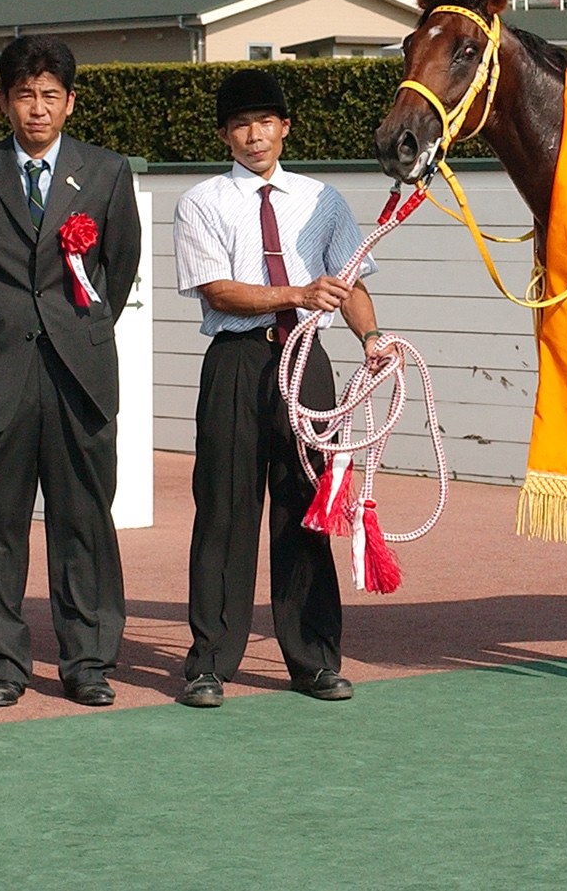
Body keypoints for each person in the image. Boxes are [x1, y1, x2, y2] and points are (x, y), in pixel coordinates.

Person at [170, 68, 395, 708]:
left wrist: (372, 339)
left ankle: (314, 660)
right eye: (240, 125)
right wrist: (296, 292)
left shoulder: (323, 199)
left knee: (308, 507)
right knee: (224, 511)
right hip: (237, 364)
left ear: (285, 127)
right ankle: (209, 663)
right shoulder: (202, 202)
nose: (253, 135)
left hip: (309, 362)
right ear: (225, 135)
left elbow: (348, 281)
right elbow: (217, 289)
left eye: (265, 122)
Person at [0, 35, 141, 709]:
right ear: (3, 101)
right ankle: (2, 661)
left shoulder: (107, 173)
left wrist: (72, 328)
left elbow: (119, 267)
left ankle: (86, 659)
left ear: (70, 102)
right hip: (0, 370)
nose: (37, 108)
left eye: (50, 94)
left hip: (79, 372)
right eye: (24, 94)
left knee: (84, 518)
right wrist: (2, 325)